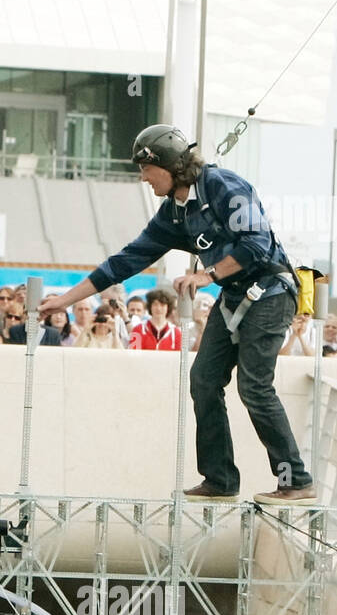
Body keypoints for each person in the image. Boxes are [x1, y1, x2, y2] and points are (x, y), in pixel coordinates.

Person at [39, 124, 314, 503]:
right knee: (203, 379)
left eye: (146, 169)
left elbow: (257, 243)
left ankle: (295, 479)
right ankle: (220, 479)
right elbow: (125, 261)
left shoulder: (223, 186)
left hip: (271, 291)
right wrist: (66, 300)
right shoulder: (174, 214)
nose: (143, 178)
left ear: (168, 166)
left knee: (253, 385)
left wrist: (208, 274)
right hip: (235, 296)